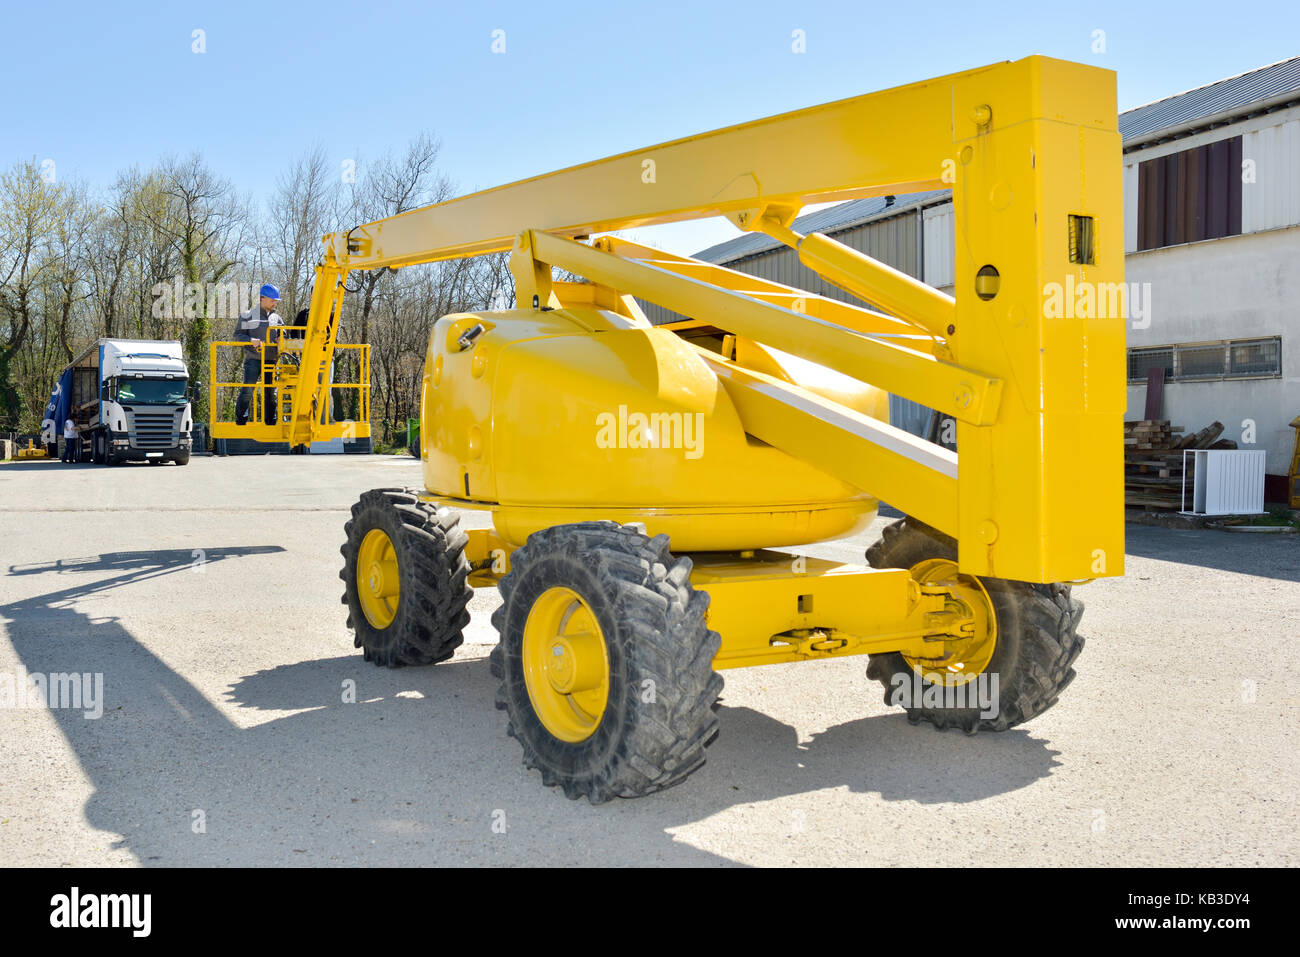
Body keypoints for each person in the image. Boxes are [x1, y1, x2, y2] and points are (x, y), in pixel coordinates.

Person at [234, 284, 284, 426]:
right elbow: (237, 336)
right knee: (248, 390)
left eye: (276, 300)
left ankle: (271, 420)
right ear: (262, 299)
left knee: (271, 392)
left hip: (271, 360)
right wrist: (251, 340)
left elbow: (283, 333)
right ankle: (241, 419)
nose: (275, 303)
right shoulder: (248, 316)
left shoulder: (277, 318)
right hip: (253, 360)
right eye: (272, 300)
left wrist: (282, 338)